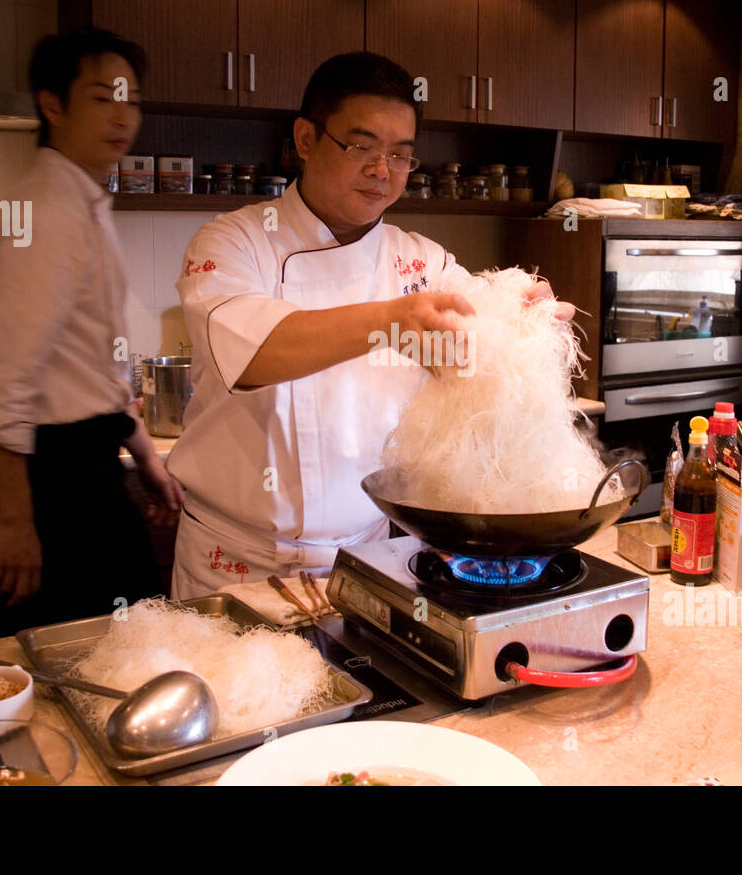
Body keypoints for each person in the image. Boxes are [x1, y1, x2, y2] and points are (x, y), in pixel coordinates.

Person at [169, 52, 569, 596]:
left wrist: (523, 318)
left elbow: (477, 347)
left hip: (369, 555)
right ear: (306, 139)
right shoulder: (232, 243)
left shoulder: (423, 263)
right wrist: (391, 320)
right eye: (362, 147)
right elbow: (256, 352)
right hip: (236, 561)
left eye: (401, 156)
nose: (382, 172)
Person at [0, 28, 182, 625]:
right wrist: (14, 521)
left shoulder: (84, 202)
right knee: (93, 657)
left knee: (126, 648)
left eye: (132, 99)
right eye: (102, 97)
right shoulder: (43, 211)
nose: (122, 116)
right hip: (56, 484)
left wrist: (146, 457)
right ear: (51, 103)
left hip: (91, 466)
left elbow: (99, 365)